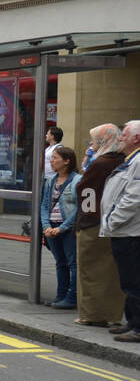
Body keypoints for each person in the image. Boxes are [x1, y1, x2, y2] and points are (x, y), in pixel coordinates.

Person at [74, 125, 126, 327]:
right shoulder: (121, 160)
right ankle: (112, 313)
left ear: (103, 141)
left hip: (93, 223)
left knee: (90, 270)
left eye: (94, 140)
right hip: (112, 221)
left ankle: (93, 314)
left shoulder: (101, 163)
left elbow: (86, 192)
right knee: (111, 271)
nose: (91, 145)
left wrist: (84, 220)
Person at [100, 120, 140, 342]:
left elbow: (133, 198)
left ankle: (138, 327)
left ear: (136, 138)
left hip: (130, 232)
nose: (120, 138)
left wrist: (113, 221)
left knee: (134, 280)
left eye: (124, 134)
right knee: (128, 280)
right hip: (124, 231)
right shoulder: (131, 159)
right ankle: (132, 321)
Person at [40, 145, 81, 309]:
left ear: (67, 161)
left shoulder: (78, 180)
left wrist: (61, 228)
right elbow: (44, 204)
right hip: (52, 227)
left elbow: (79, 208)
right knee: (60, 263)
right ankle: (60, 296)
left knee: (72, 263)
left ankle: (72, 298)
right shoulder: (50, 180)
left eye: (55, 158)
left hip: (68, 229)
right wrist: (46, 226)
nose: (51, 161)